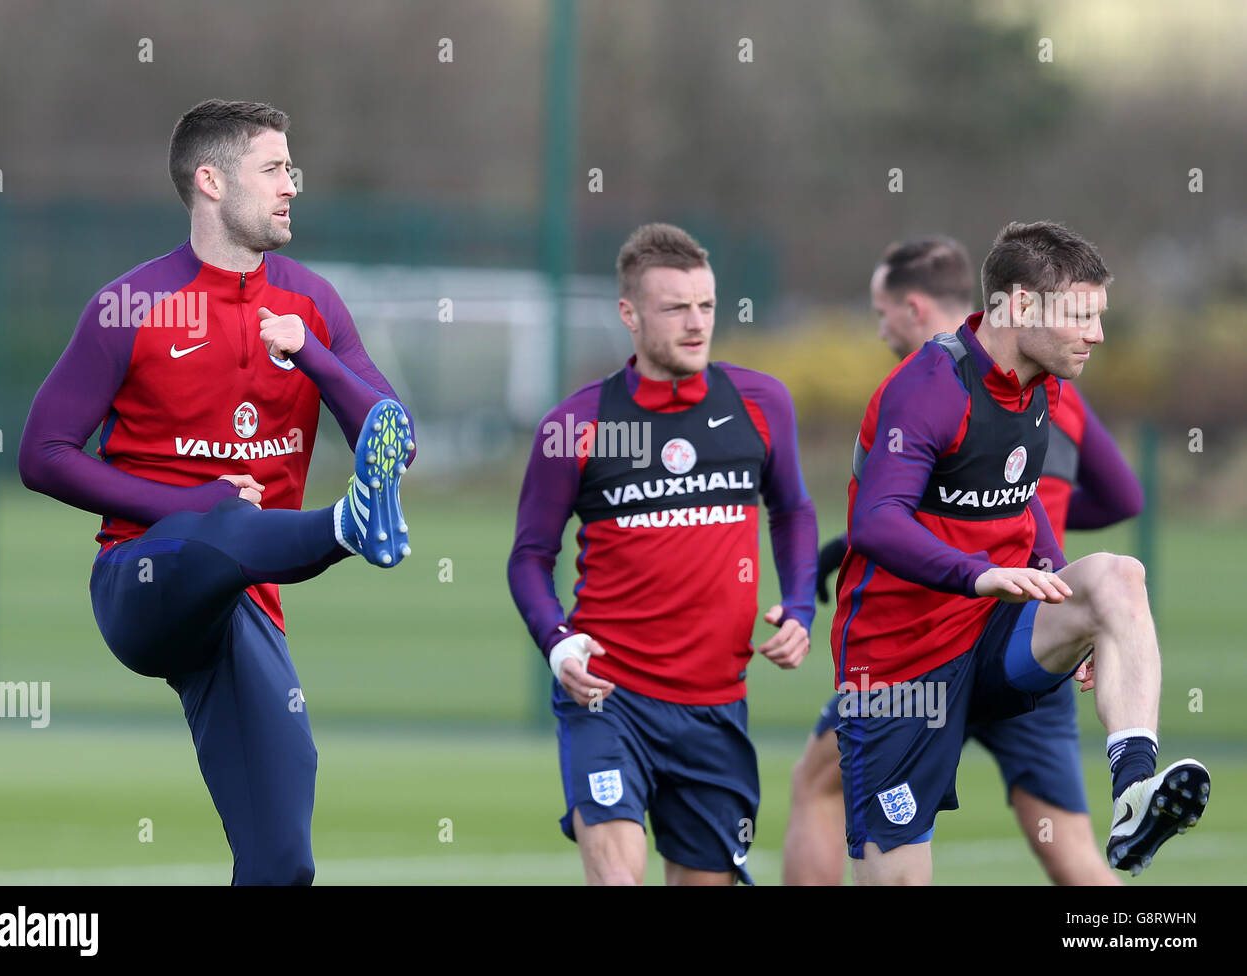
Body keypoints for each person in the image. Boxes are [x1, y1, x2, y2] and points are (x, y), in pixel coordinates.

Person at [17, 99, 415, 885]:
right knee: (228, 519)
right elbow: (41, 455)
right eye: (272, 169)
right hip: (143, 579)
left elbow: (395, 436)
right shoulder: (129, 305)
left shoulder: (312, 305)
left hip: (247, 606)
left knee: (282, 862)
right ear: (210, 181)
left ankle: (343, 524)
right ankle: (345, 527)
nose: (290, 186)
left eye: (290, 170)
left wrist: (317, 360)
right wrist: (187, 503)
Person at [827, 221, 1208, 885]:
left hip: (993, 637)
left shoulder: (1044, 387)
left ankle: (1134, 793)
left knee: (1119, 579)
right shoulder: (930, 387)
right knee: (898, 879)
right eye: (1082, 318)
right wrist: (980, 575)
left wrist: (1067, 597)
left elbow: (1018, 496)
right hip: (899, 664)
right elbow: (875, 524)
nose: (1096, 335)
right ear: (1021, 306)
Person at [507, 223, 818, 885]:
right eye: (675, 307)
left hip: (716, 707)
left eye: (706, 306)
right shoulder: (577, 425)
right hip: (608, 696)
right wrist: (558, 642)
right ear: (629, 314)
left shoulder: (762, 404)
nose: (696, 322)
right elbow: (530, 556)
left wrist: (799, 608)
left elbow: (791, 511)